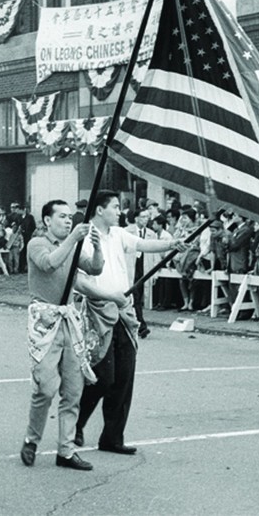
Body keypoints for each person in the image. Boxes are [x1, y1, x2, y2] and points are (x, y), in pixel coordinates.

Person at [21, 199, 125, 472]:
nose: (68, 221)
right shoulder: (37, 244)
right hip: (45, 321)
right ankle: (32, 439)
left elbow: (94, 268)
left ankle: (66, 450)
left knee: (73, 389)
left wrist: (96, 245)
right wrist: (73, 240)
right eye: (62, 217)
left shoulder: (73, 245)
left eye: (70, 217)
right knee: (45, 386)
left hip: (70, 319)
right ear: (47, 221)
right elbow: (49, 264)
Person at [75, 191, 179, 455]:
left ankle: (112, 437)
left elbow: (144, 246)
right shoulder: (84, 238)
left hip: (124, 309)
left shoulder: (120, 234)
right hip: (98, 311)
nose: (120, 211)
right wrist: (108, 296)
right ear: (100, 210)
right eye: (115, 206)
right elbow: (81, 280)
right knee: (102, 377)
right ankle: (75, 423)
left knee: (124, 377)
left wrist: (173, 244)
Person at [125, 209, 155, 339]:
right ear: (136, 218)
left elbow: (155, 254)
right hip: (131, 267)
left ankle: (135, 323)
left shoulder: (151, 234)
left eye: (147, 217)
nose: (146, 219)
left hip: (144, 268)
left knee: (139, 297)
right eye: (143, 217)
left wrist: (154, 273)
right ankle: (141, 326)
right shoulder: (126, 232)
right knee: (135, 297)